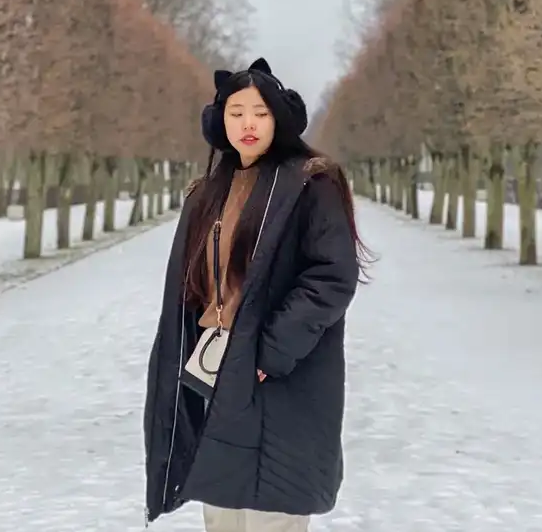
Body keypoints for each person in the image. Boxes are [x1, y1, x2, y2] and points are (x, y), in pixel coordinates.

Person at [143, 58, 372, 532]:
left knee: (274, 510)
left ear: (279, 118)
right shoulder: (206, 193)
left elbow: (331, 276)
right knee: (222, 510)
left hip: (279, 373)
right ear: (220, 122)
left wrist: (271, 351)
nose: (248, 123)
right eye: (236, 112)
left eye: (261, 113)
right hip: (215, 367)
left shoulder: (311, 183)